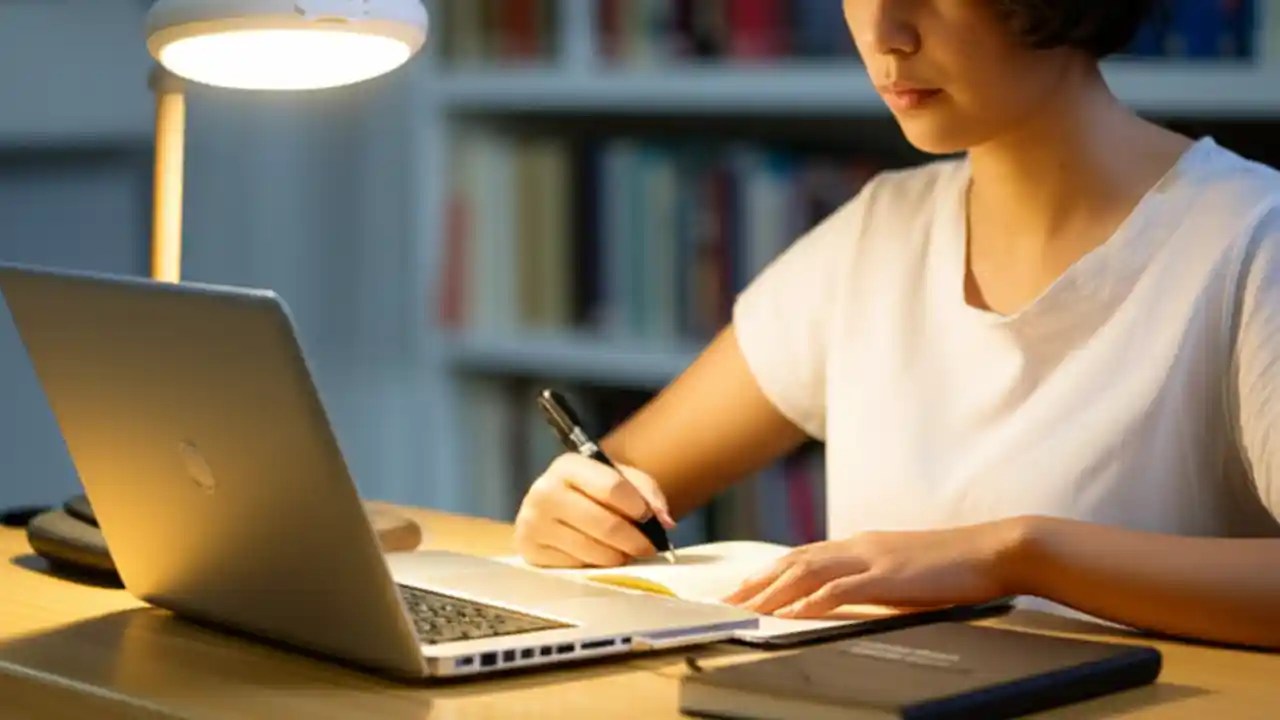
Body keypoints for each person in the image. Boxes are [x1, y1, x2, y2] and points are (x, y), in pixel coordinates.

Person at [513, 0, 1280, 649]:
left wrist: (1017, 555)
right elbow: (627, 477)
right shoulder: (881, 231)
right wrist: (574, 515)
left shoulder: (1250, 238)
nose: (884, 35)